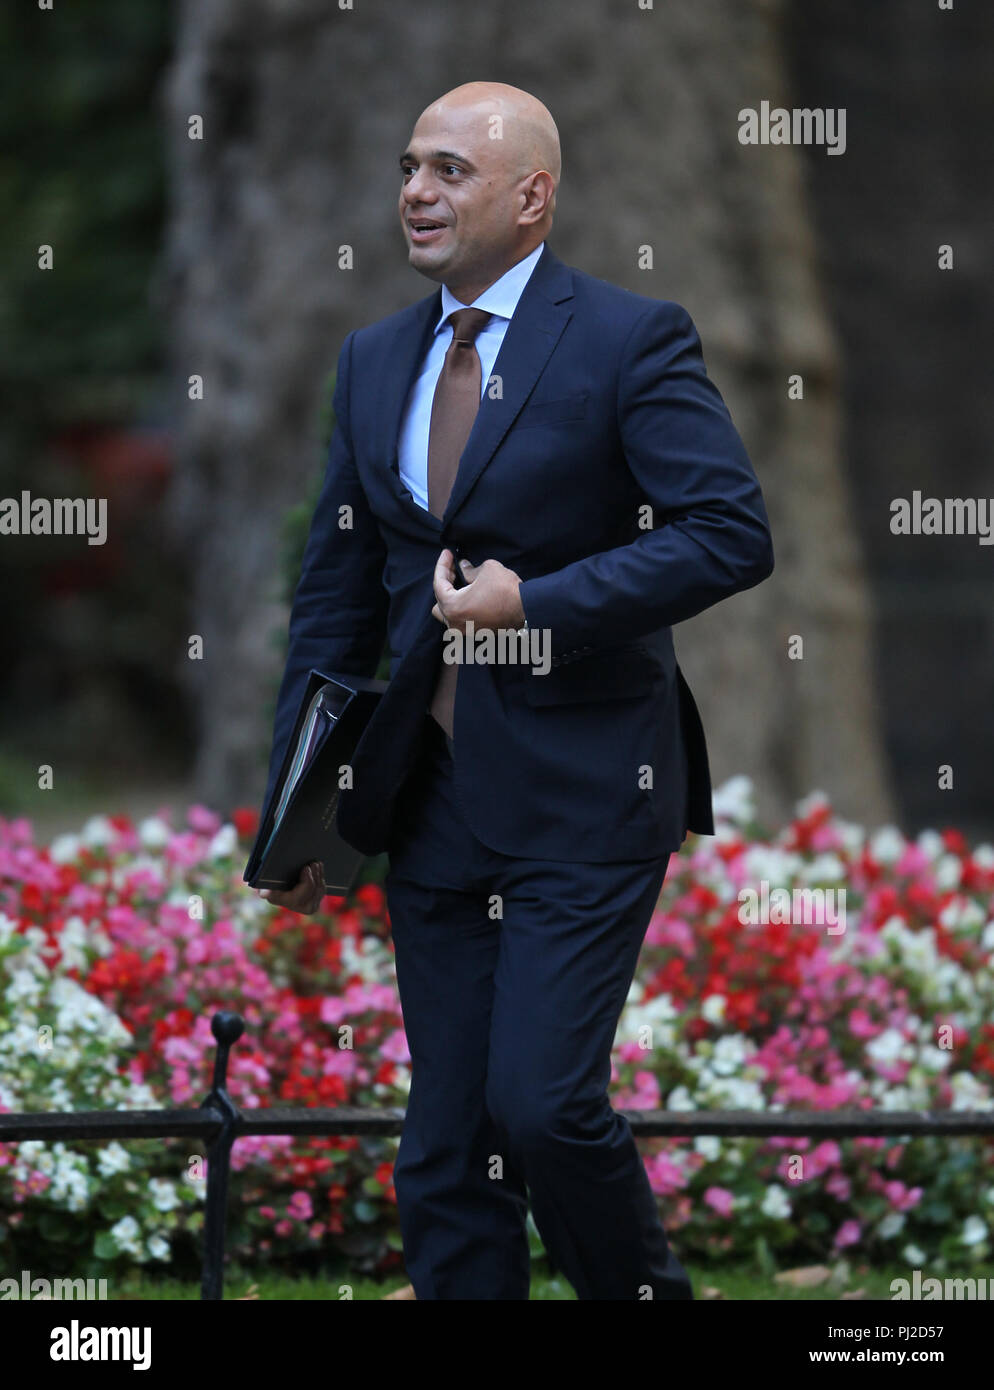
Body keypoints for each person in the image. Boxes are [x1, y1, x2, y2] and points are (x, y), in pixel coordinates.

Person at [253, 81, 774, 1300]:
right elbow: (335, 598)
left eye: (448, 171)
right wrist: (301, 812)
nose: (415, 194)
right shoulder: (373, 357)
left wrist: (534, 604)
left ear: (530, 198)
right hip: (429, 798)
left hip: (588, 791)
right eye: (408, 169)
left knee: (539, 1106)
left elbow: (728, 532)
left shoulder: (630, 339)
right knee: (446, 1145)